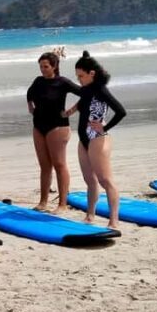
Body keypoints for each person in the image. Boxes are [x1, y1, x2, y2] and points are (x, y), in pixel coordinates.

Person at [64, 51, 126, 229]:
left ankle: (114, 220)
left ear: (92, 74)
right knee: (89, 180)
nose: (79, 79)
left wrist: (104, 128)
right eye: (77, 76)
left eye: (81, 76)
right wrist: (70, 111)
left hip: (98, 138)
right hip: (83, 138)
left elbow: (121, 111)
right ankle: (90, 216)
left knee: (105, 180)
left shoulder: (100, 89)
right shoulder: (85, 89)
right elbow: (83, 102)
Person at [26, 52, 81, 213]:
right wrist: (30, 105)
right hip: (39, 127)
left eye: (46, 66)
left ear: (54, 66)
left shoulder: (62, 82)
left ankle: (62, 204)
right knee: (44, 166)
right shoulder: (38, 81)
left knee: (59, 164)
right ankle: (43, 202)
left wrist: (71, 111)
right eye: (41, 66)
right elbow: (29, 93)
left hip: (57, 127)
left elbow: (85, 94)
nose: (43, 69)